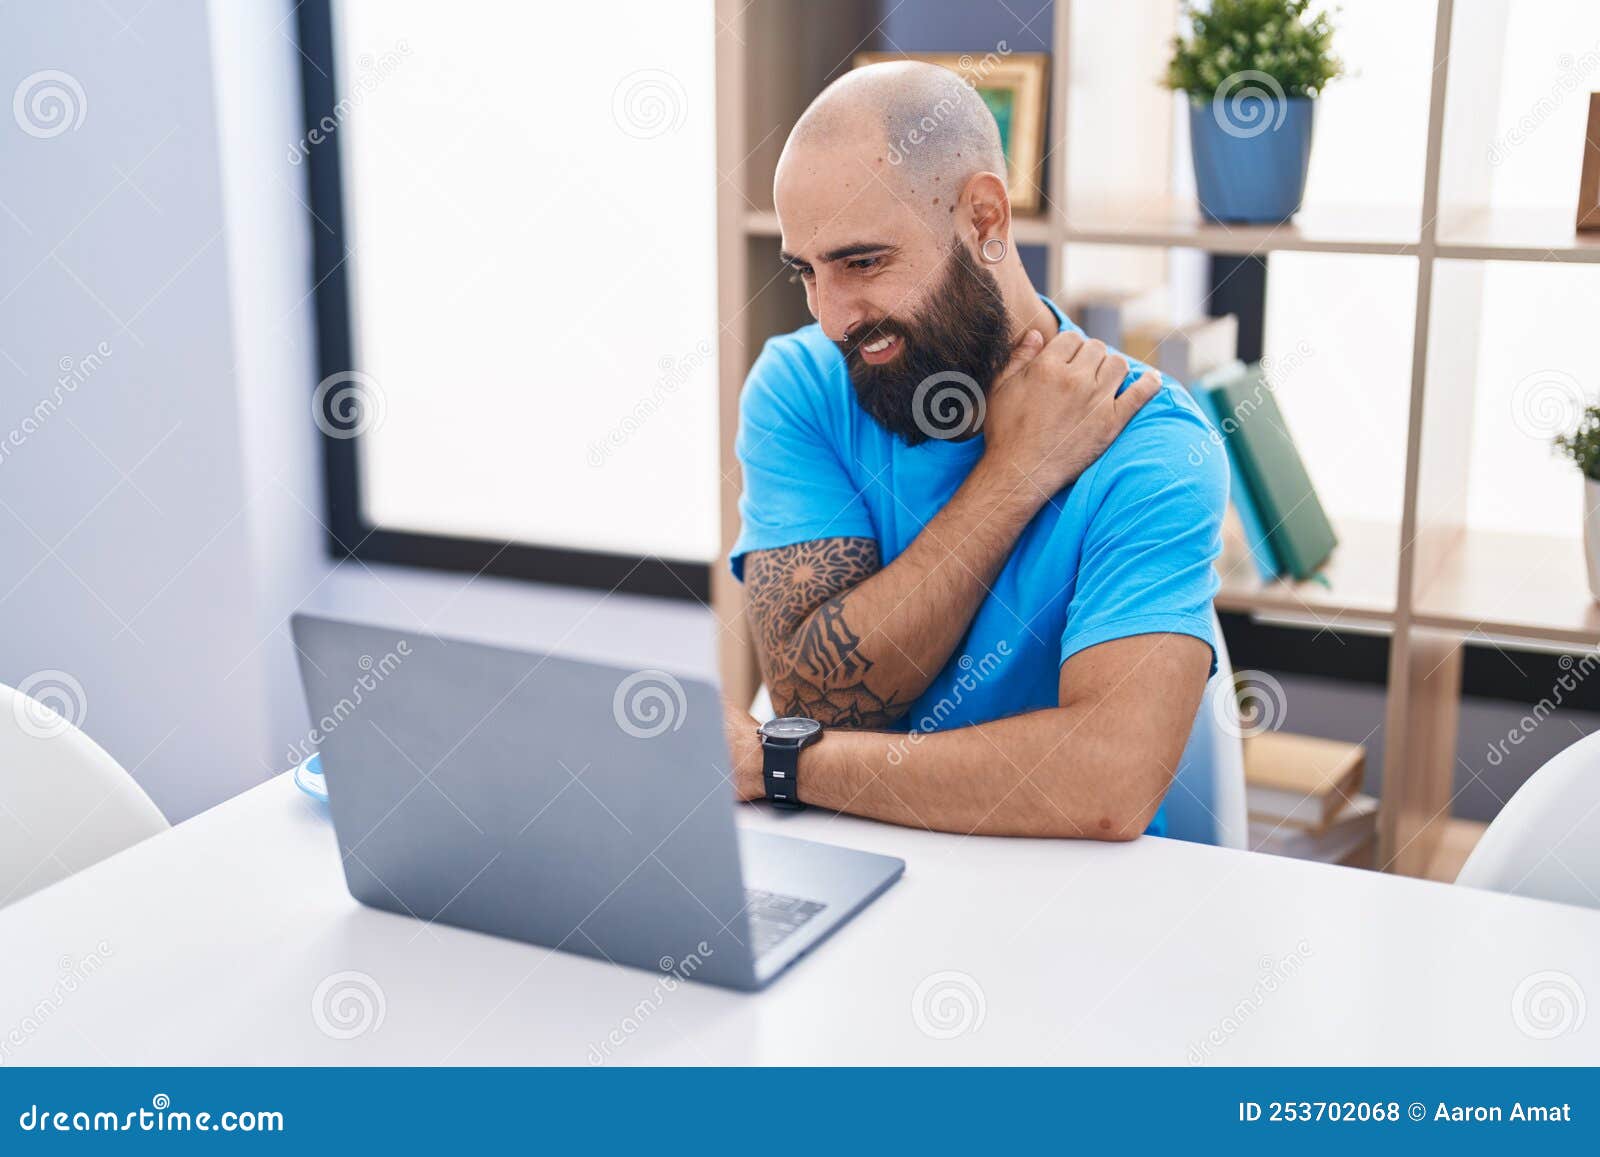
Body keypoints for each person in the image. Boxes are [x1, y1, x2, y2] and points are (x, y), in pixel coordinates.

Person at [722, 62, 1227, 840]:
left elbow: (1106, 782)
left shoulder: (1152, 442)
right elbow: (810, 694)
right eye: (807, 274)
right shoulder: (800, 386)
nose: (831, 318)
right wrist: (1013, 475)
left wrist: (781, 765)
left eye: (862, 263)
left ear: (985, 220)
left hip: (1076, 917)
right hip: (864, 876)